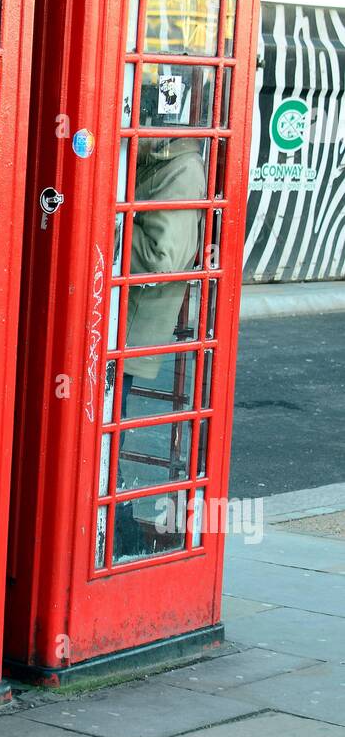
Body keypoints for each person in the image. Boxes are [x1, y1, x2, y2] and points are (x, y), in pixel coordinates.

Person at [116, 124, 206, 557]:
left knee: (104, 442)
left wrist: (109, 219)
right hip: (108, 319)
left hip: (125, 330)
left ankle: (119, 541)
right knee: (99, 441)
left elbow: (162, 258)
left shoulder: (182, 169)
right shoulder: (153, 159)